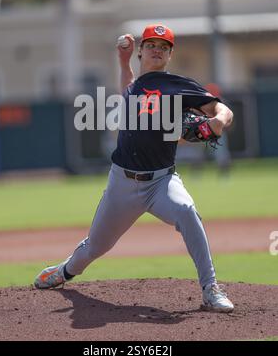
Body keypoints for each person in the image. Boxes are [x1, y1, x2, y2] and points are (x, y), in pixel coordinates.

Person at [34, 24, 234, 313]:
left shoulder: (179, 85)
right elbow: (128, 87)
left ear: (169, 55)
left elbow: (222, 109)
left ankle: (210, 289)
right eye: (151, 45)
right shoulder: (134, 87)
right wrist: (122, 60)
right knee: (96, 247)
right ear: (142, 51)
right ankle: (65, 271)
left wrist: (218, 122)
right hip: (122, 183)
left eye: (163, 47)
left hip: (162, 182)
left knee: (188, 212)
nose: (157, 50)